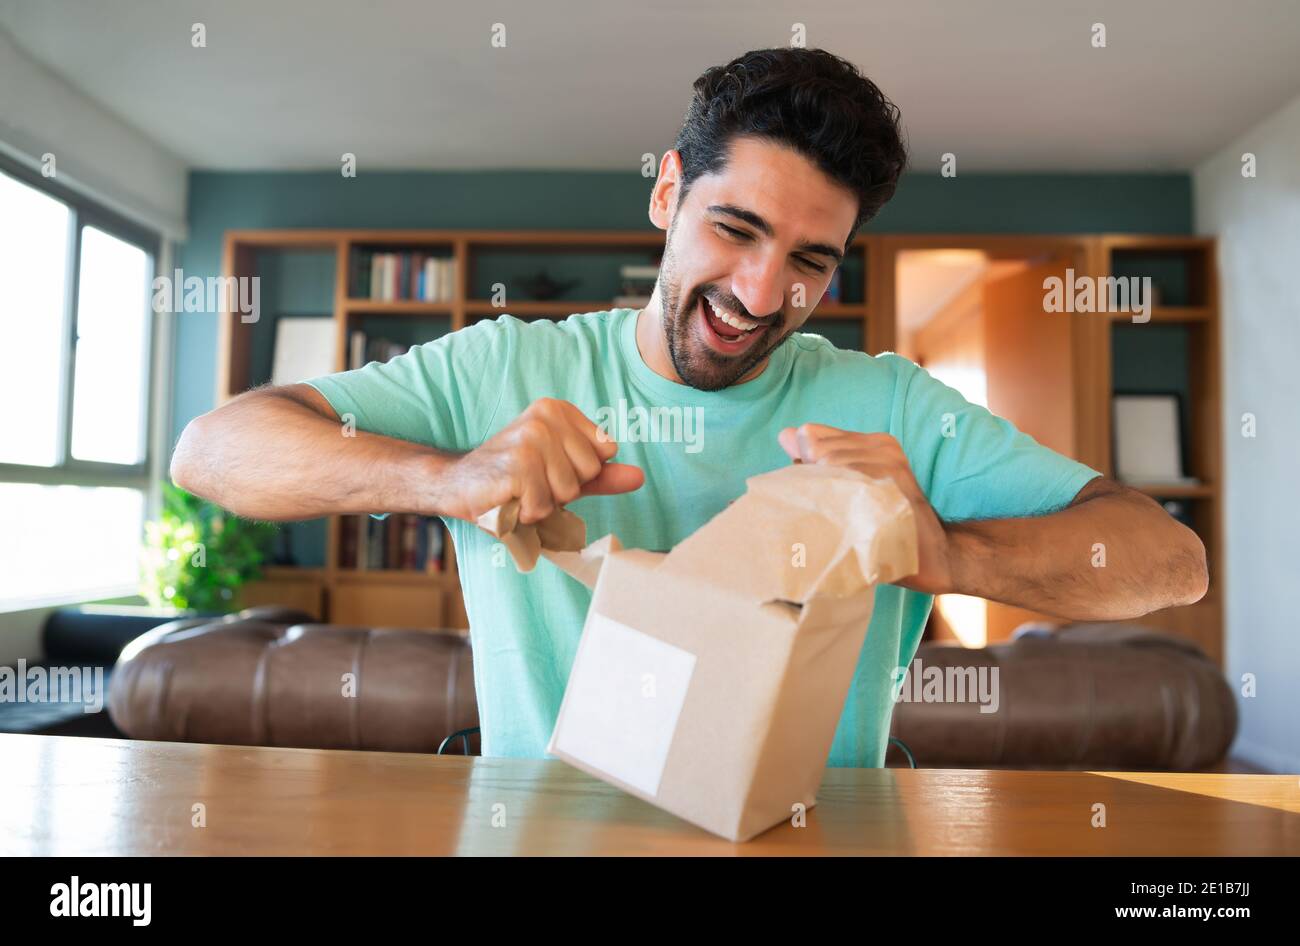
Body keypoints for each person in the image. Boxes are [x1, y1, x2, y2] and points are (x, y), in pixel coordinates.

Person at [171, 47, 1207, 766]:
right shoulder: (496, 370)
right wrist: (447, 479)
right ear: (667, 193)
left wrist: (946, 555)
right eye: (735, 228)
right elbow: (212, 452)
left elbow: (1167, 560)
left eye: (809, 259)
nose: (761, 295)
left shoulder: (890, 403)